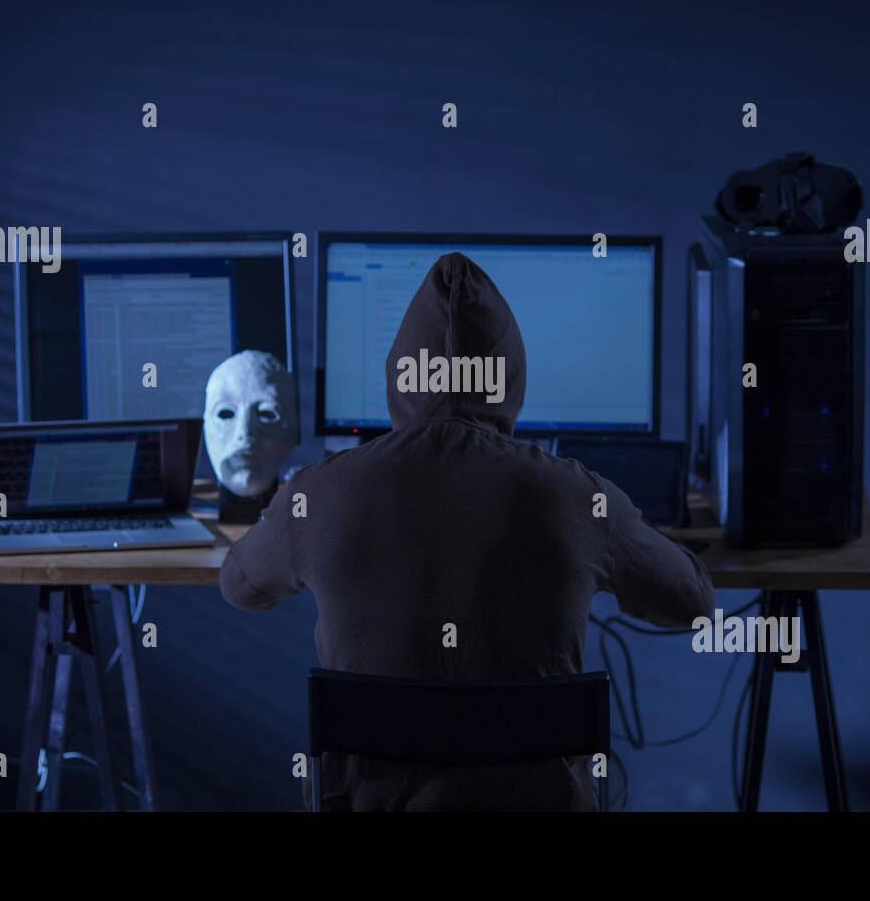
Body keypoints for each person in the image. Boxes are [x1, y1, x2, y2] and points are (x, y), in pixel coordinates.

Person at [219, 252, 714, 810]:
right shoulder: (577, 494)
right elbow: (692, 603)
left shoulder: (319, 493)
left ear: (400, 373)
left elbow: (239, 586)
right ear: (510, 374)